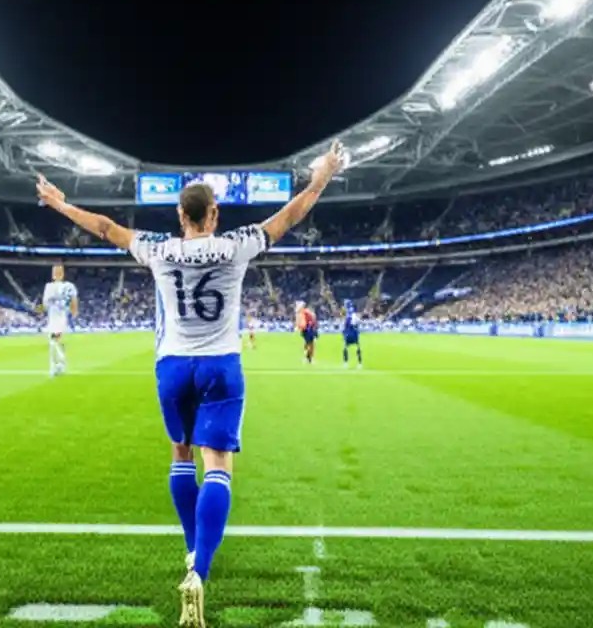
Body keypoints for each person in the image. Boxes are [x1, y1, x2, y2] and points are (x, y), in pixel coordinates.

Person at [35, 141, 344, 628]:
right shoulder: (237, 243)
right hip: (221, 364)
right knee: (218, 464)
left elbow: (104, 228)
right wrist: (321, 175)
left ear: (181, 215)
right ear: (214, 214)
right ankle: (200, 571)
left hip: (173, 365)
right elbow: (291, 215)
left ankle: (191, 549)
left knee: (181, 455)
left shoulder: (159, 249)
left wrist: (59, 203)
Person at [42, 264, 79, 376]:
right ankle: (59, 366)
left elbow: (45, 304)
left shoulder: (49, 287)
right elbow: (74, 301)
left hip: (55, 317)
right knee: (56, 340)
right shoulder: (70, 286)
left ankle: (57, 364)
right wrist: (74, 312)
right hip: (62, 317)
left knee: (53, 340)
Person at [341, 299, 362, 368]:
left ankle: (345, 363)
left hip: (349, 332)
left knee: (345, 347)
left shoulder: (347, 313)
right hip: (354, 332)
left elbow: (345, 324)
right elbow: (358, 321)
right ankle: (359, 363)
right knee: (357, 346)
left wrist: (343, 331)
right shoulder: (353, 313)